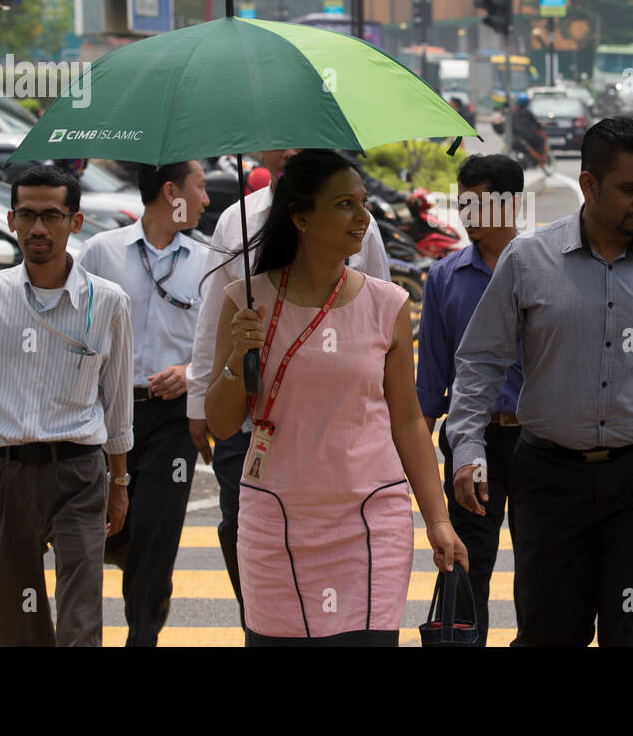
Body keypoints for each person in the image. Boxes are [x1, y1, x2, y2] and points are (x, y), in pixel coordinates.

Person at [449, 117, 633, 647]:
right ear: (589, 184)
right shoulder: (529, 260)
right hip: (550, 481)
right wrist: (467, 448)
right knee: (549, 633)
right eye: (631, 189)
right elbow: (480, 362)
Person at [203, 150, 465, 645]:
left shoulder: (387, 304)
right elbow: (221, 423)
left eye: (363, 202)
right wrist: (241, 356)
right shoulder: (246, 301)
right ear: (301, 216)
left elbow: (407, 421)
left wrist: (437, 520)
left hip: (370, 520)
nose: (363, 217)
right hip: (274, 520)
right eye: (345, 204)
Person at [0, 165, 134, 647]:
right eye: (27, 215)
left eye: (51, 216)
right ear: (12, 220)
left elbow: (118, 405)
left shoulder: (107, 303)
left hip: (79, 474)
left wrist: (119, 484)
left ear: (75, 222)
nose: (38, 228)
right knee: (20, 621)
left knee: (81, 619)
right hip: (5, 477)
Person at [187, 147, 390, 628]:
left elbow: (378, 317)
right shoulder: (236, 221)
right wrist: (203, 395)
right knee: (244, 528)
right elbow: (212, 311)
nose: (293, 147)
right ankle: (262, 615)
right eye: (282, 138)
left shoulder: (361, 224)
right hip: (254, 419)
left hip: (339, 432)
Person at [76, 160, 211, 646]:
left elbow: (218, 344)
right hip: (105, 413)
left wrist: (192, 373)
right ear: (171, 191)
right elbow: (76, 328)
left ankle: (142, 638)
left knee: (157, 533)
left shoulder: (208, 261)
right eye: (199, 188)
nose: (206, 199)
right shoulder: (99, 253)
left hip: (172, 420)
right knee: (97, 533)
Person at [416, 154, 525, 646]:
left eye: (476, 204)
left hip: (539, 442)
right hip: (470, 445)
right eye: (461, 204)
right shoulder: (443, 278)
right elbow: (430, 387)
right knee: (466, 564)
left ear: (511, 204)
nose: (466, 216)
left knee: (543, 566)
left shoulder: (545, 272)